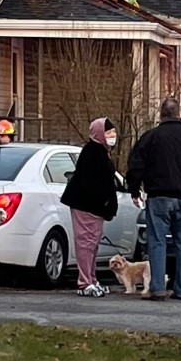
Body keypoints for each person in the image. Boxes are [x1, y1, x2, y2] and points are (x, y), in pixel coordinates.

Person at [126, 98, 181, 302]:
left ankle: (157, 288)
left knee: (157, 243)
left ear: (161, 114)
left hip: (159, 197)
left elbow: (135, 165)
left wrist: (134, 190)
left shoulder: (151, 137)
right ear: (179, 113)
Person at [61, 117, 121, 298]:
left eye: (113, 132)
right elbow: (91, 183)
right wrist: (103, 202)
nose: (112, 136)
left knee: (92, 245)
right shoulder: (92, 152)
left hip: (95, 208)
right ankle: (84, 281)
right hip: (87, 206)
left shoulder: (102, 152)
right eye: (108, 132)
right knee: (86, 244)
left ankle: (92, 279)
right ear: (99, 133)